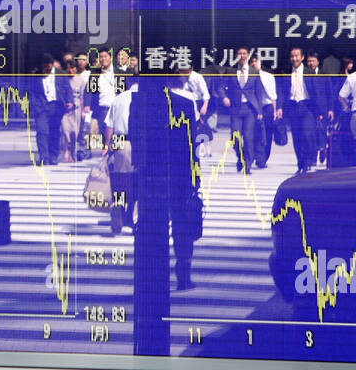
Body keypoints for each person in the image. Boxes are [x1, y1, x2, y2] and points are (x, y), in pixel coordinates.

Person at [130, 74, 203, 291]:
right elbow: (191, 147)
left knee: (152, 227)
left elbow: (135, 143)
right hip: (180, 175)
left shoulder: (137, 106)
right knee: (182, 226)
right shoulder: (184, 104)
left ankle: (155, 276)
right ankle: (183, 272)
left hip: (150, 177)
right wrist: (195, 176)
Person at [220, 47, 268, 174]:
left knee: (248, 137)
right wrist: (224, 97)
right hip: (235, 108)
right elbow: (220, 86)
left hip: (250, 109)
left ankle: (248, 164)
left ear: (247, 55)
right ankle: (240, 158)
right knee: (235, 137)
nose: (242, 55)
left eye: (244, 53)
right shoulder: (230, 70)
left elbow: (259, 92)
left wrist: (260, 111)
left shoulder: (254, 71)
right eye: (239, 53)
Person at [104, 73, 138, 235]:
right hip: (137, 142)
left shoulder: (119, 98)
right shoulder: (147, 98)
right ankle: (130, 215)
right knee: (136, 180)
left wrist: (107, 146)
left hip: (119, 141)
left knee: (119, 179)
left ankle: (118, 207)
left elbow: (109, 124)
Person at [280, 46, 318, 175]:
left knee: (307, 136)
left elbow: (316, 93)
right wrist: (280, 107)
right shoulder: (286, 72)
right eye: (292, 56)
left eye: (297, 56)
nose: (294, 58)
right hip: (293, 106)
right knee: (297, 137)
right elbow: (282, 92)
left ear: (302, 57)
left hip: (307, 107)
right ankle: (300, 164)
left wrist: (320, 112)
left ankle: (307, 163)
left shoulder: (309, 72)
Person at [27, 54, 61, 166]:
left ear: (52, 65)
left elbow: (66, 88)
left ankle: (53, 156)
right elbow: (31, 93)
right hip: (41, 108)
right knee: (42, 132)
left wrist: (68, 102)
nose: (47, 69)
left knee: (54, 132)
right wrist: (36, 107)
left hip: (55, 107)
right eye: (45, 67)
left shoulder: (60, 74)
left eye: (49, 67)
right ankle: (43, 157)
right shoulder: (36, 76)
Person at [248, 56, 278, 169]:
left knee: (268, 134)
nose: (254, 63)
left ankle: (264, 158)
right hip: (254, 108)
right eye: (252, 62)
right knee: (255, 133)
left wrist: (275, 110)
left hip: (267, 107)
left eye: (256, 61)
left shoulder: (268, 76)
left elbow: (273, 95)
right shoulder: (248, 77)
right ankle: (257, 156)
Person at [305, 52, 331, 166]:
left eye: (313, 61)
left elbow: (329, 92)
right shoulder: (304, 74)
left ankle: (323, 149)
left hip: (323, 107)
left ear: (318, 62)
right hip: (310, 108)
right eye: (309, 61)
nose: (311, 63)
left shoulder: (324, 74)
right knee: (311, 133)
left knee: (322, 130)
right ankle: (313, 156)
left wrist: (331, 109)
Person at [91, 49, 117, 143]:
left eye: (105, 56)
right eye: (101, 57)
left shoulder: (119, 72)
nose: (103, 59)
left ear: (110, 57)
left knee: (116, 134)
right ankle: (105, 155)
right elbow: (90, 91)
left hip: (116, 107)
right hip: (102, 108)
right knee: (104, 134)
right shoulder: (95, 73)